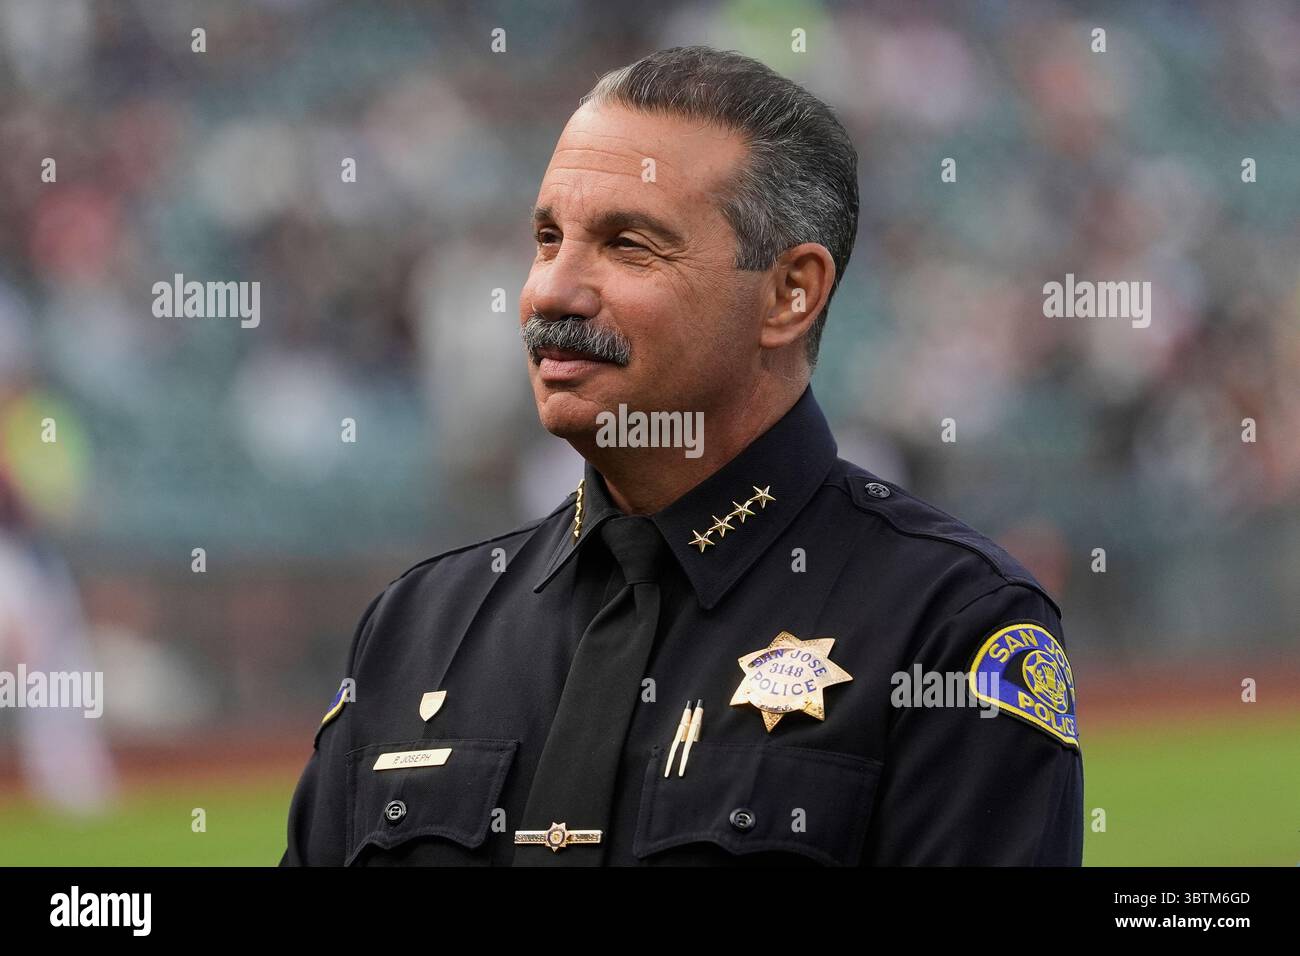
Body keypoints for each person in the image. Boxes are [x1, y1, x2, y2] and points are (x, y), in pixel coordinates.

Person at [281, 45, 1082, 867]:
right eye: (548, 237)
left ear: (789, 294)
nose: (554, 290)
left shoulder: (949, 630)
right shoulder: (415, 629)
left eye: (629, 244)